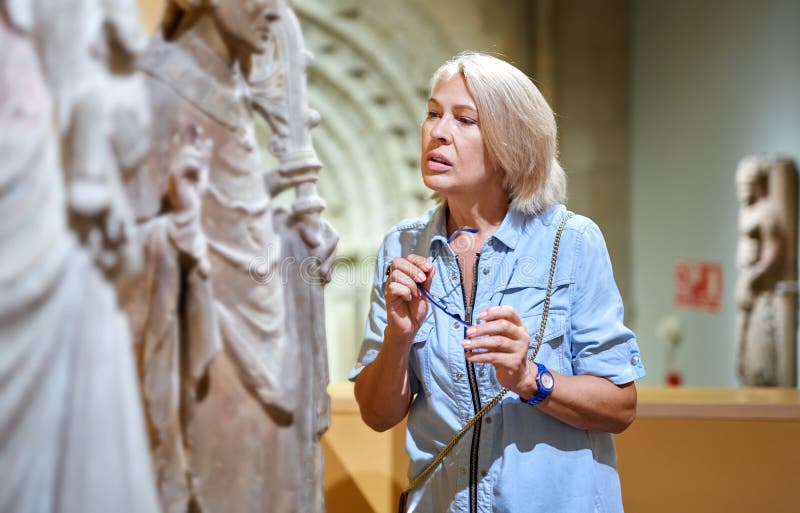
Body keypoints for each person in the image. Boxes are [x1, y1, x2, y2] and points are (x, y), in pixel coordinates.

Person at [350, 52, 645, 513]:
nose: (438, 132)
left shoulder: (572, 241)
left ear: (512, 142)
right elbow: (376, 414)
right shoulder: (402, 245)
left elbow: (620, 407)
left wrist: (529, 378)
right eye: (433, 113)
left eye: (464, 119)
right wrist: (399, 337)